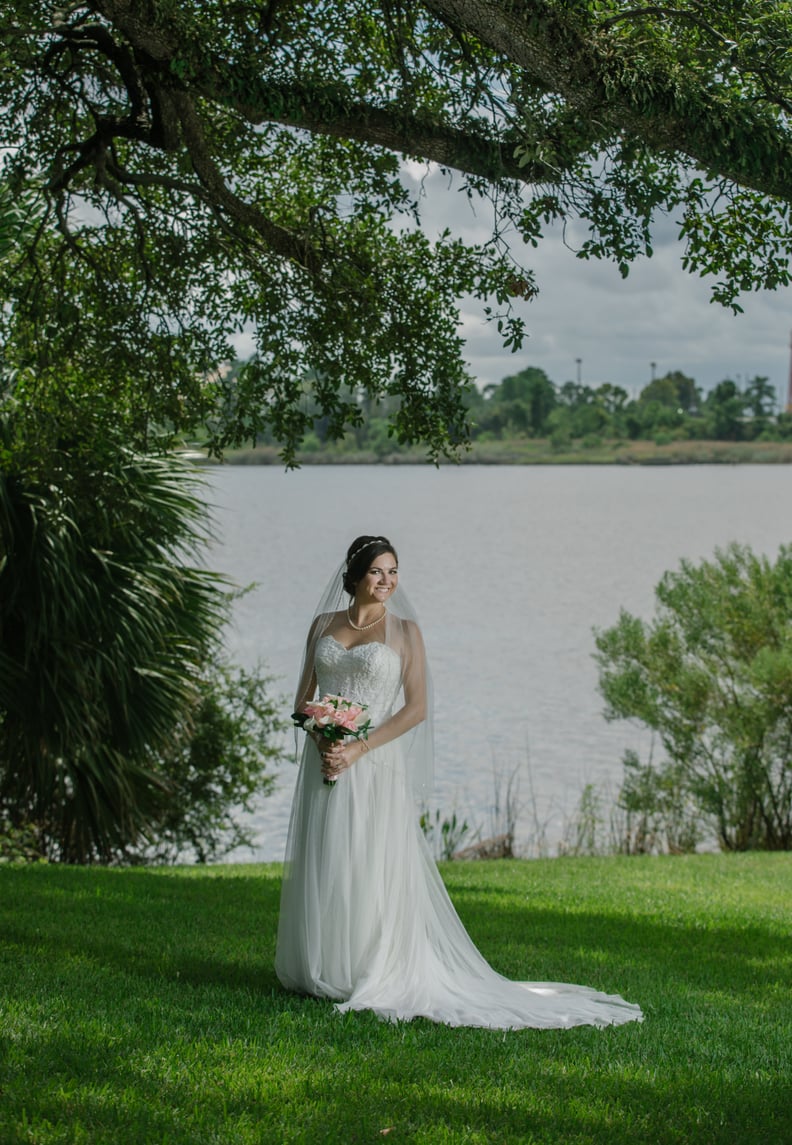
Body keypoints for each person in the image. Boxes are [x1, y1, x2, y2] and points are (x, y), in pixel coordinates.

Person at [275, 535, 643, 1029]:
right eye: (377, 572)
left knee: (367, 859)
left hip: (374, 766)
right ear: (355, 576)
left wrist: (359, 748)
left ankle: (366, 967)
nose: (387, 581)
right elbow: (304, 699)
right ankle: (322, 964)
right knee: (327, 855)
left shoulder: (406, 632)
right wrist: (326, 742)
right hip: (326, 763)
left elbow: (417, 708)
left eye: (394, 572)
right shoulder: (323, 625)